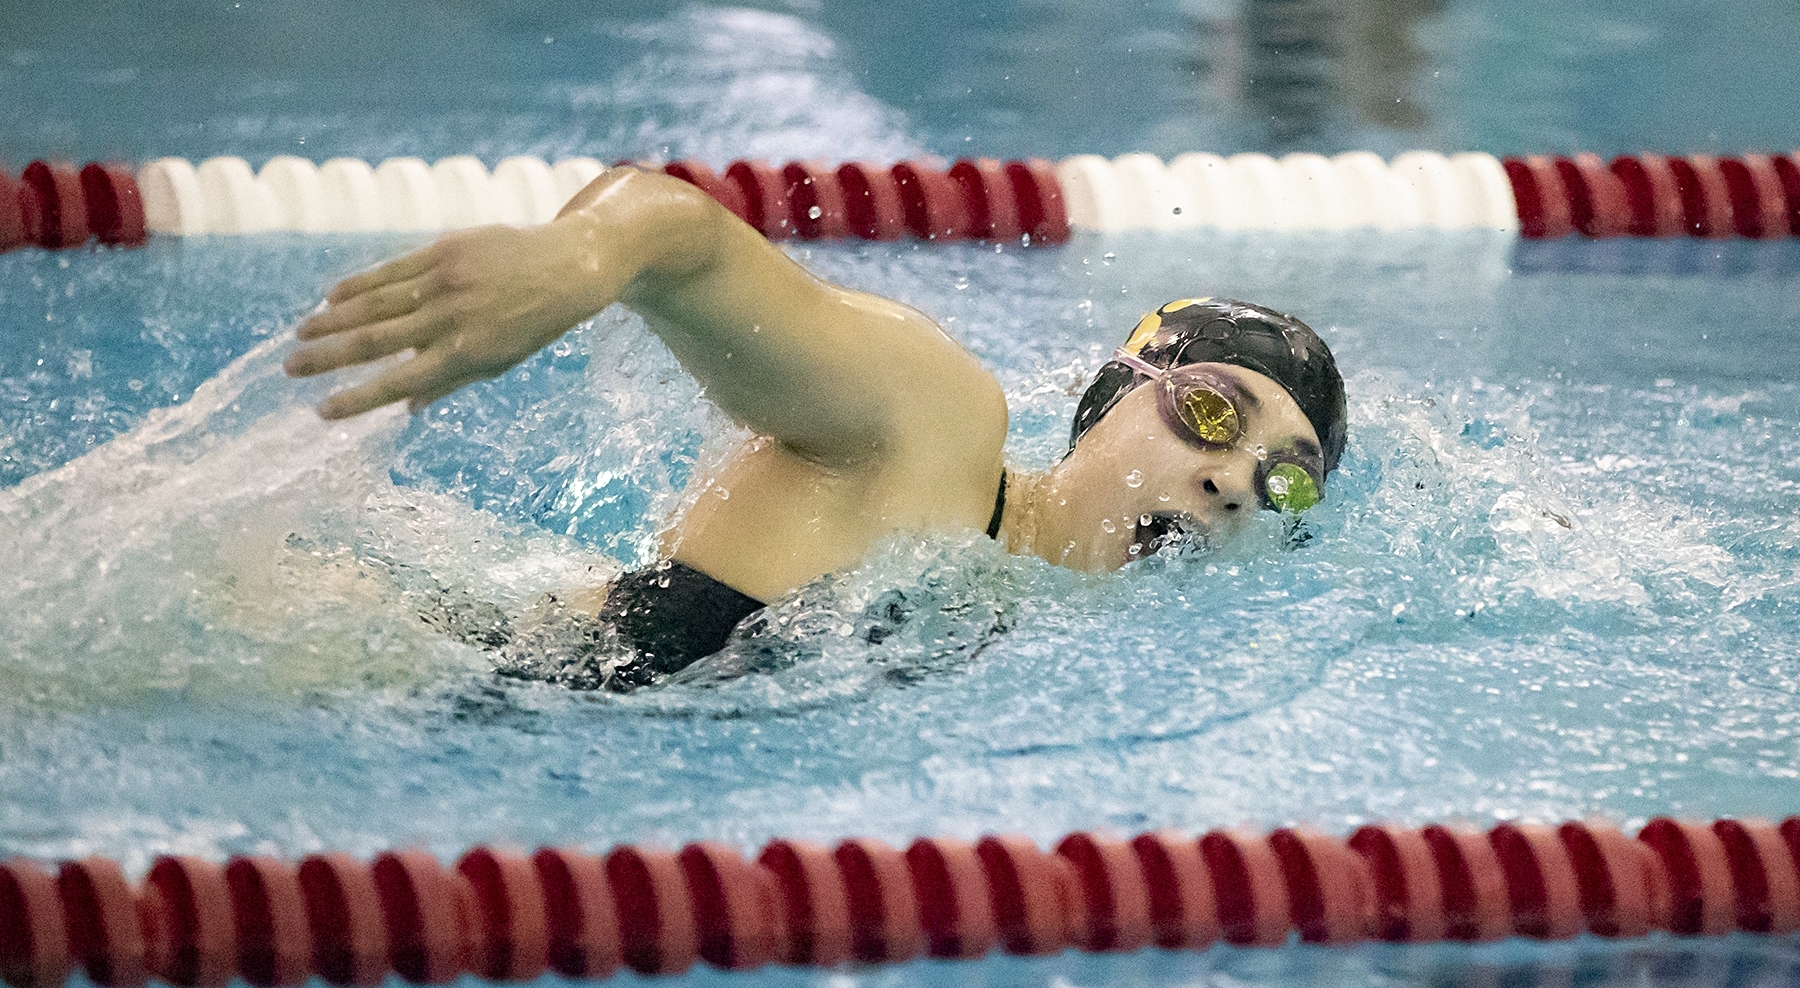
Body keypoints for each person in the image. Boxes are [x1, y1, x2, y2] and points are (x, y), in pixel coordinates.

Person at [285, 166, 1347, 689]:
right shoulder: (934, 426)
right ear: (1112, 398)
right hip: (342, 665)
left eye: (1285, 479)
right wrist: (580, 260)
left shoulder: (1044, 630)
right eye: (1211, 412)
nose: (1233, 480)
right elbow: (687, 236)